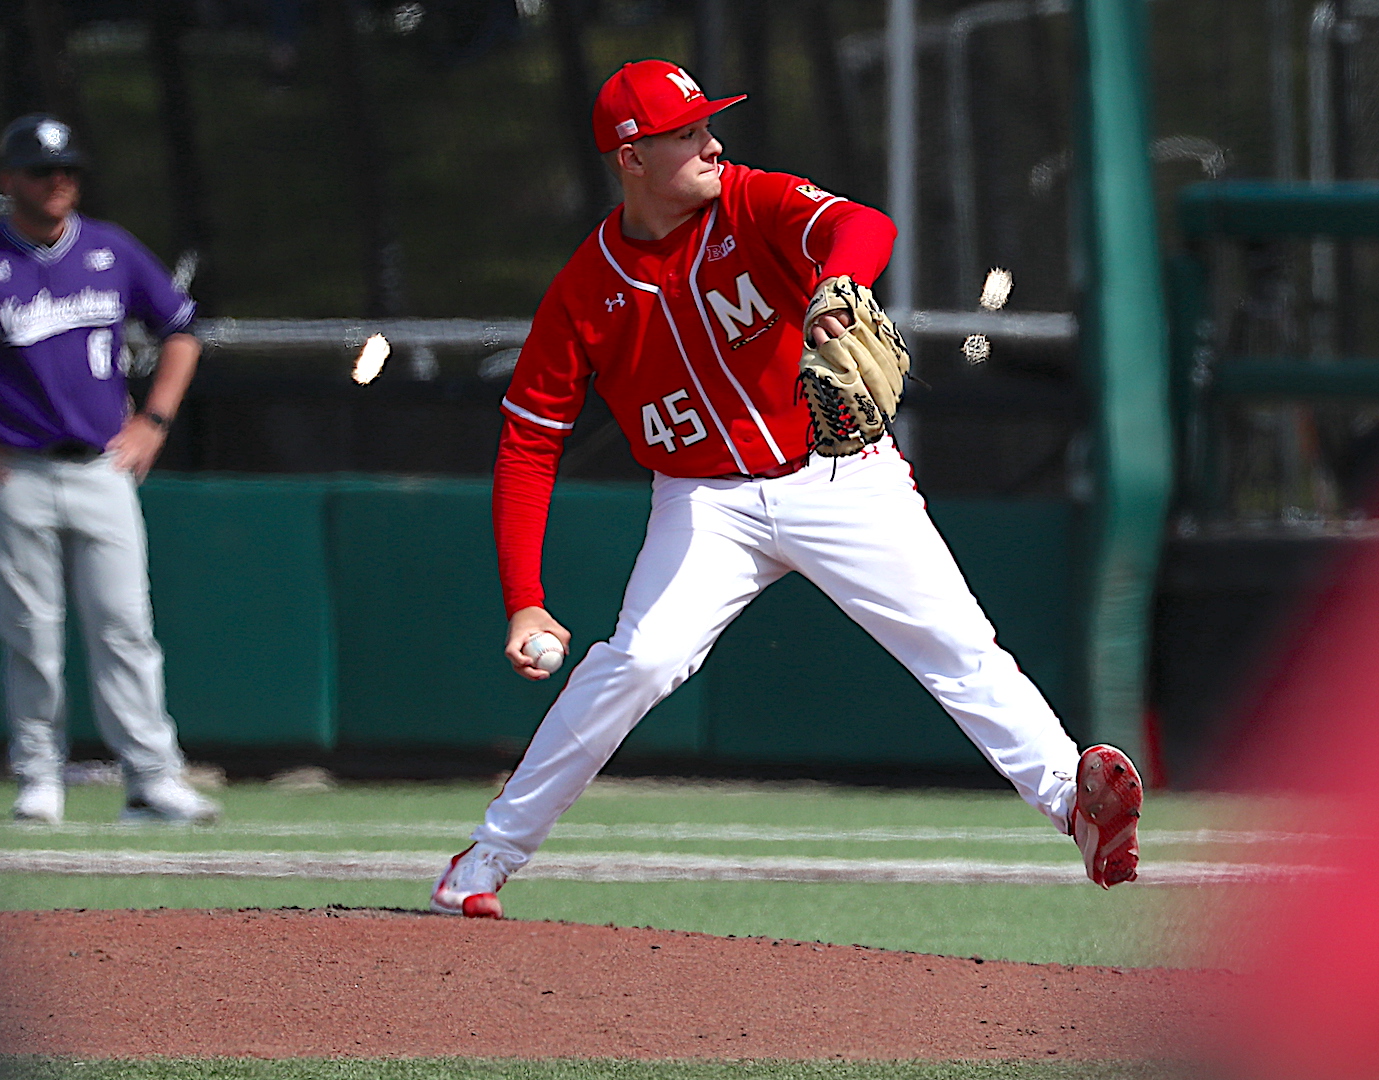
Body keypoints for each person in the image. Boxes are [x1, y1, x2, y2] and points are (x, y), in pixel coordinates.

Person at [430, 59, 1142, 919]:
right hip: (703, 503)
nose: (710, 142)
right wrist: (524, 597)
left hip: (838, 474)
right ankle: (487, 859)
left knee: (957, 646)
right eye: (686, 133)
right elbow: (527, 442)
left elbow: (860, 225)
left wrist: (840, 283)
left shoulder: (749, 200)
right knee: (638, 661)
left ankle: (1076, 802)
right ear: (632, 156)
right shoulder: (586, 291)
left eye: (706, 124)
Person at [0, 114, 220, 825]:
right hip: (12, 470)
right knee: (30, 631)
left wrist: (155, 421)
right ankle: (40, 775)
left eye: (68, 169)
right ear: (8, 181)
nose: (59, 180)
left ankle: (151, 778)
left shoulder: (110, 249)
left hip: (101, 466)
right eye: (42, 170)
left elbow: (182, 331)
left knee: (125, 624)